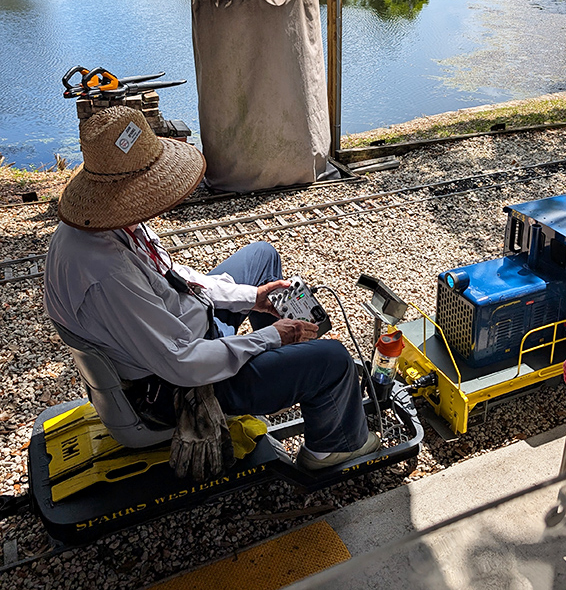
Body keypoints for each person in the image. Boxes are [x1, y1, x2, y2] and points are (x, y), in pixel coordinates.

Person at [43, 105, 379, 471]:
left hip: (185, 336)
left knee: (261, 258)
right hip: (172, 389)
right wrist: (268, 339)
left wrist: (253, 297)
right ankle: (331, 448)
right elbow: (182, 364)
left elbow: (173, 275)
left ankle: (281, 368)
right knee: (333, 361)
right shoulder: (106, 274)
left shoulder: (104, 219)